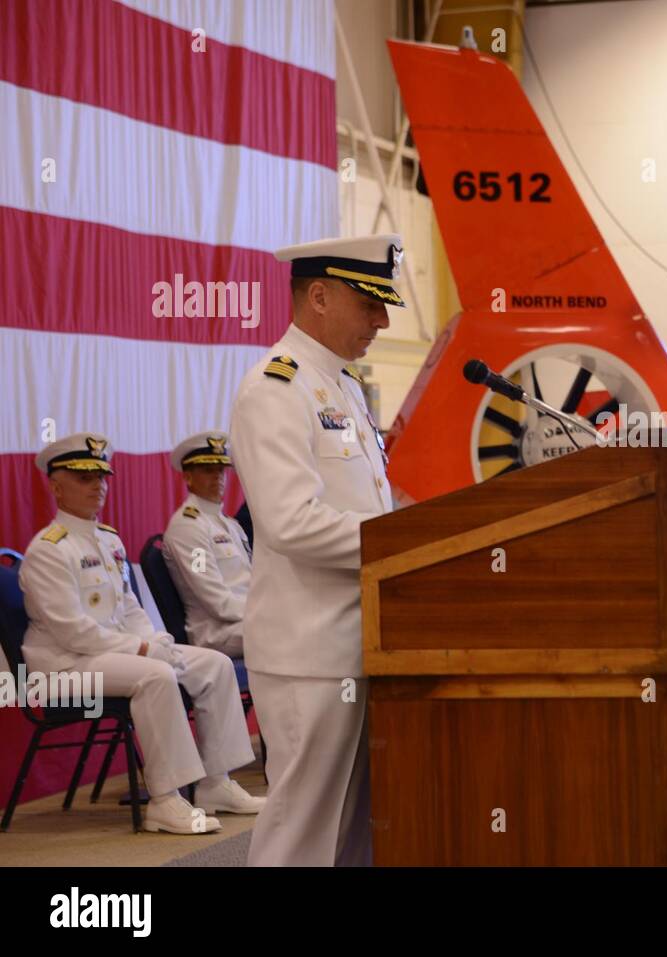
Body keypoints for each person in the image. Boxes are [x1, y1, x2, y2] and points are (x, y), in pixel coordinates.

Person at [229, 234, 401, 866]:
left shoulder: (343, 387)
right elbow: (290, 522)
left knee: (353, 835)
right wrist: (398, 542)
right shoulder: (275, 387)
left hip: (357, 642)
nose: (382, 321)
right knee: (301, 833)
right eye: (371, 304)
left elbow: (364, 505)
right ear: (320, 295)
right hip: (309, 651)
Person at [19, 433, 265, 833]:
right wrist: (144, 648)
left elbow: (129, 608)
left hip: (111, 653)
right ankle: (166, 800)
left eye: (101, 477)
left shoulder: (108, 540)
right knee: (156, 675)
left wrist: (156, 640)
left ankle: (216, 782)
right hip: (62, 666)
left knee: (215, 664)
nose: (97, 486)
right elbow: (73, 632)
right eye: (83, 478)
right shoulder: (48, 550)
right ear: (55, 485)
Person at [162, 432, 251, 657]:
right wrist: (265, 612)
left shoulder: (229, 524)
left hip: (244, 621)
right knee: (292, 631)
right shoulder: (188, 528)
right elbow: (216, 602)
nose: (218, 477)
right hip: (216, 632)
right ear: (188, 477)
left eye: (221, 470)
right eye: (208, 470)